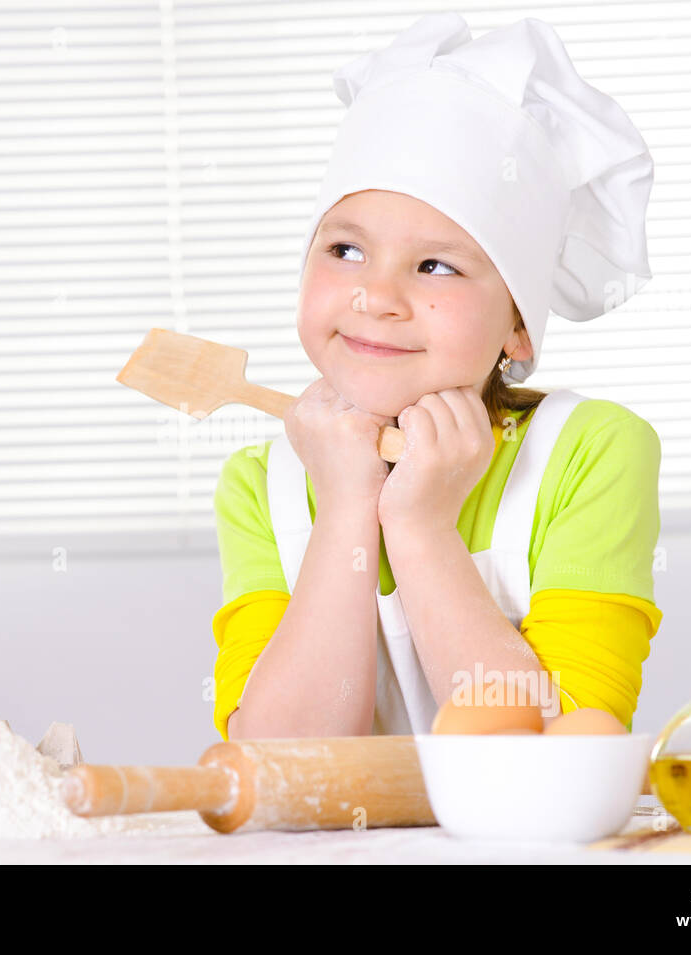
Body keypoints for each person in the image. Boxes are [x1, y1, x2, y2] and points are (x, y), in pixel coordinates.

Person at [210, 13, 664, 740]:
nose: (376, 297)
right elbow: (282, 768)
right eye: (345, 250)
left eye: (436, 266)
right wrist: (347, 503)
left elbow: (556, 756)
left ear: (518, 325)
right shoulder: (258, 485)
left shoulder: (592, 451)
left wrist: (420, 527)